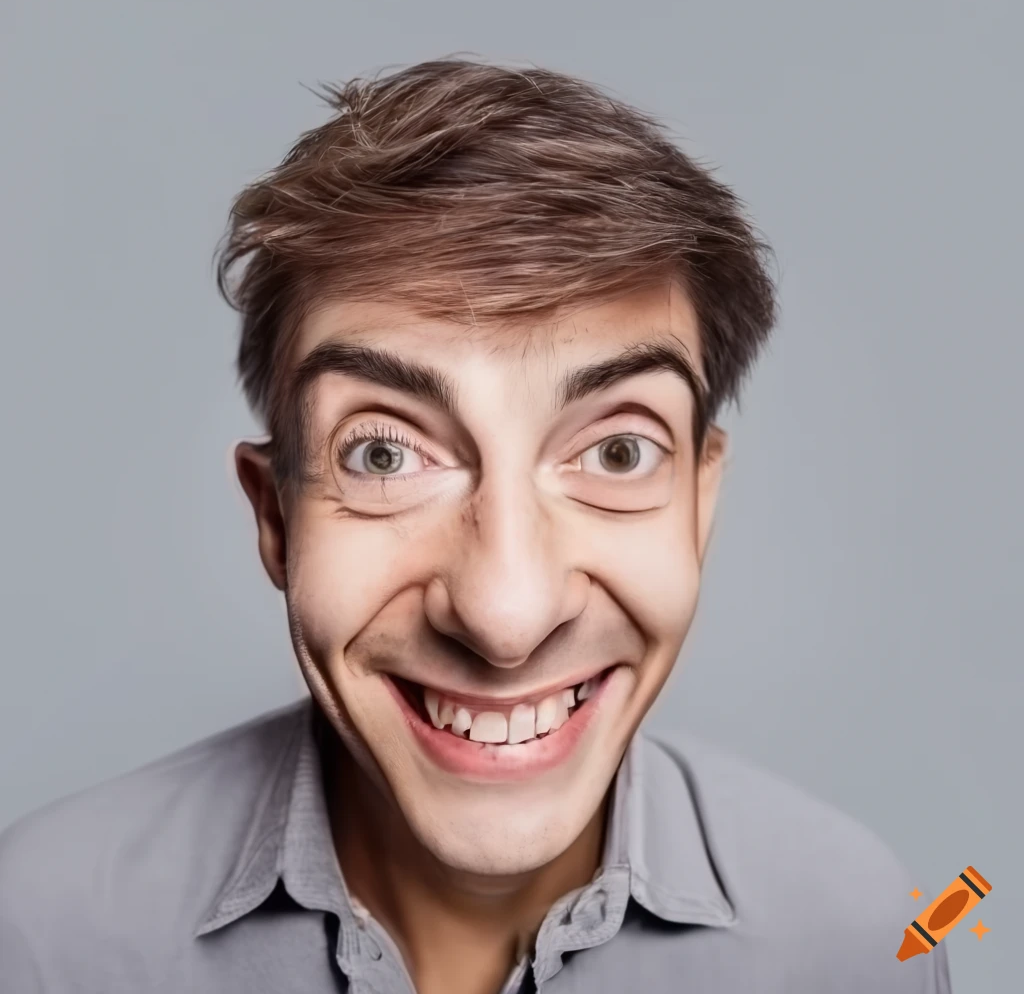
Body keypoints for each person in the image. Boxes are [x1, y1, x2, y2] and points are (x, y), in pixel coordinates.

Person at [0, 58, 950, 994]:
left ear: (701, 506)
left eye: (618, 452)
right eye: (383, 455)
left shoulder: (865, 944)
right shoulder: (41, 941)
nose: (505, 618)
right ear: (275, 515)